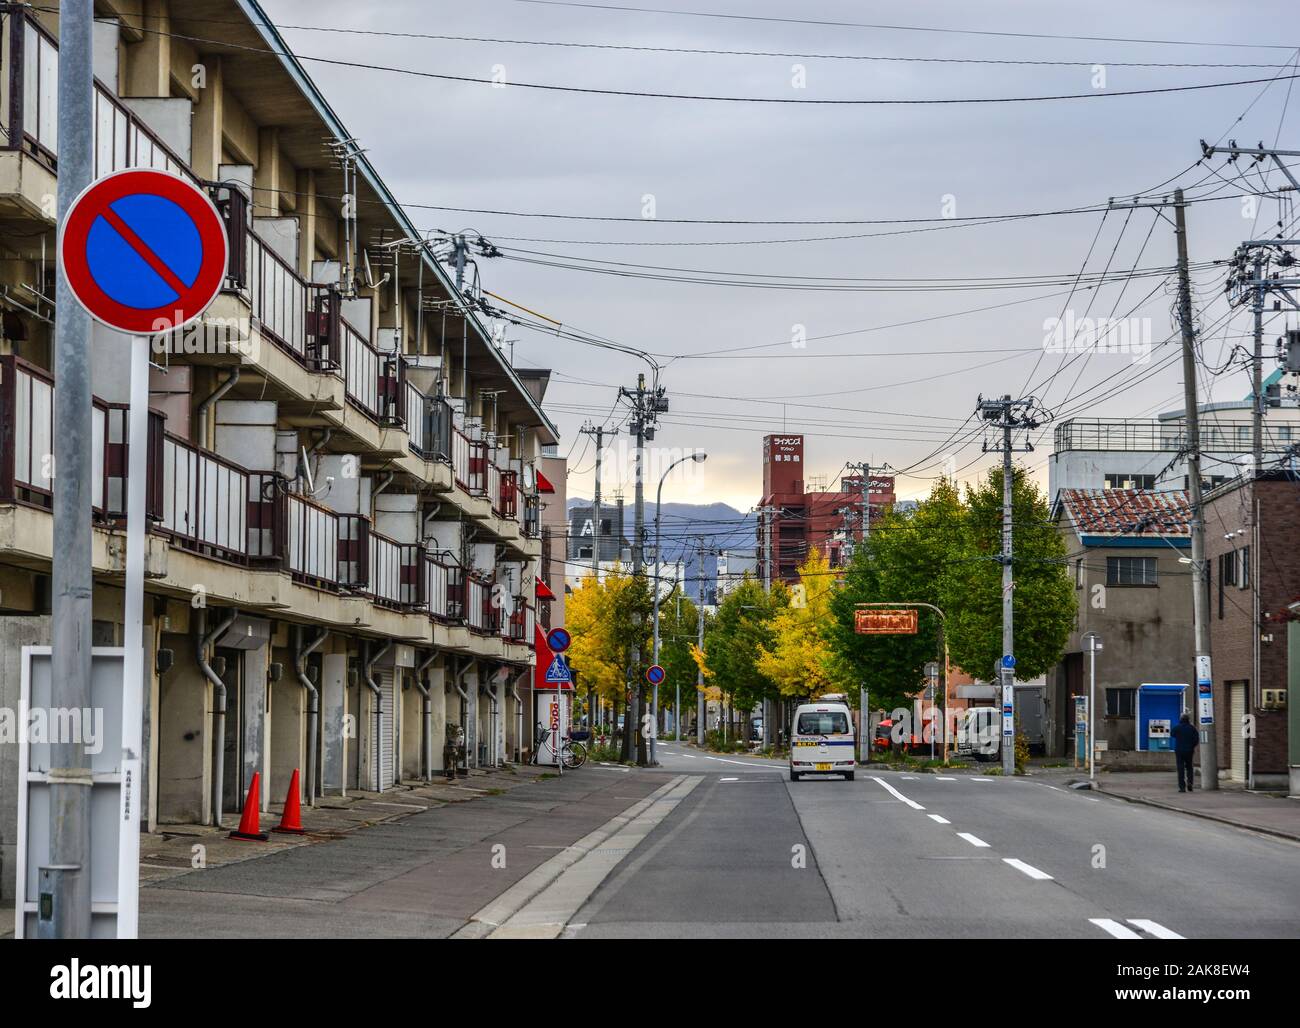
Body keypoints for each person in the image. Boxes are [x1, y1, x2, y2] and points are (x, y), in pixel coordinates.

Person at [1171, 712, 1198, 792]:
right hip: (1189, 750)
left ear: (1181, 719)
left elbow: (1172, 734)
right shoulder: (1192, 728)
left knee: (1180, 768)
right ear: (1188, 719)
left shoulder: (1177, 727)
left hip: (1179, 751)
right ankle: (1190, 783)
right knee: (1189, 767)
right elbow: (1196, 739)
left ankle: (1182, 787)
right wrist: (1192, 746)